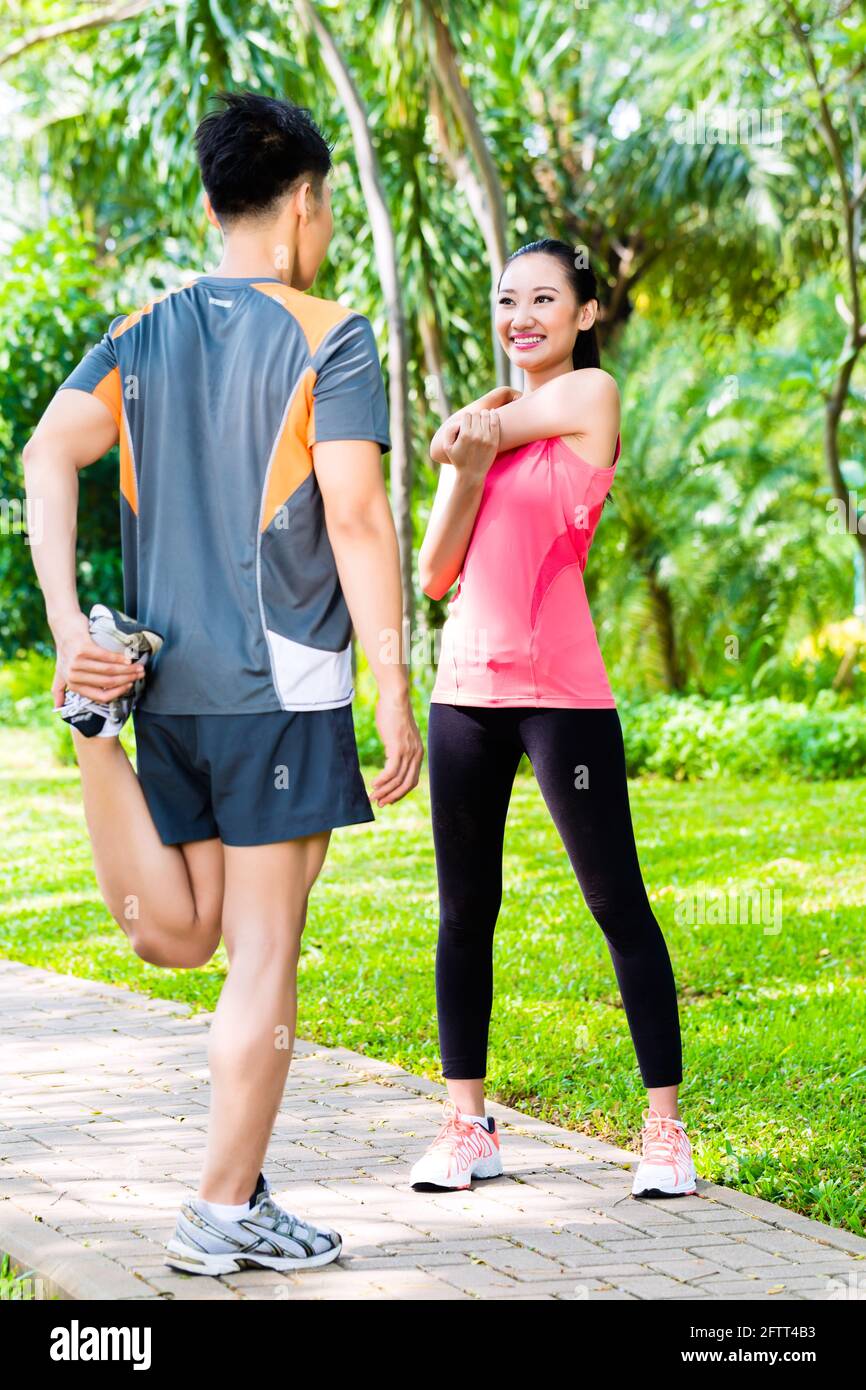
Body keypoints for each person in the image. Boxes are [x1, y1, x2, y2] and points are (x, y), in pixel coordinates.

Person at [22, 90, 423, 1276]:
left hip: (169, 690)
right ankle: (218, 1209)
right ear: (303, 203)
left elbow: (49, 449)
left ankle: (92, 728)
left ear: (212, 204)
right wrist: (392, 683)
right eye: (329, 206)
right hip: (283, 693)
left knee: (182, 933)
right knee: (263, 951)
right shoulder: (330, 333)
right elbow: (354, 514)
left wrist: (62, 624)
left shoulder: (138, 330)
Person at [411, 238, 696, 1200]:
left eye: (543, 299)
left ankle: (663, 1134)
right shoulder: (488, 431)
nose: (520, 315)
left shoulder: (586, 398)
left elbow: (488, 432)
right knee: (464, 913)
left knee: (616, 901)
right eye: (506, 300)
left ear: (583, 316)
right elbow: (433, 573)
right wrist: (464, 454)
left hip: (563, 696)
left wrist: (476, 429)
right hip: (464, 693)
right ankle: (467, 1125)